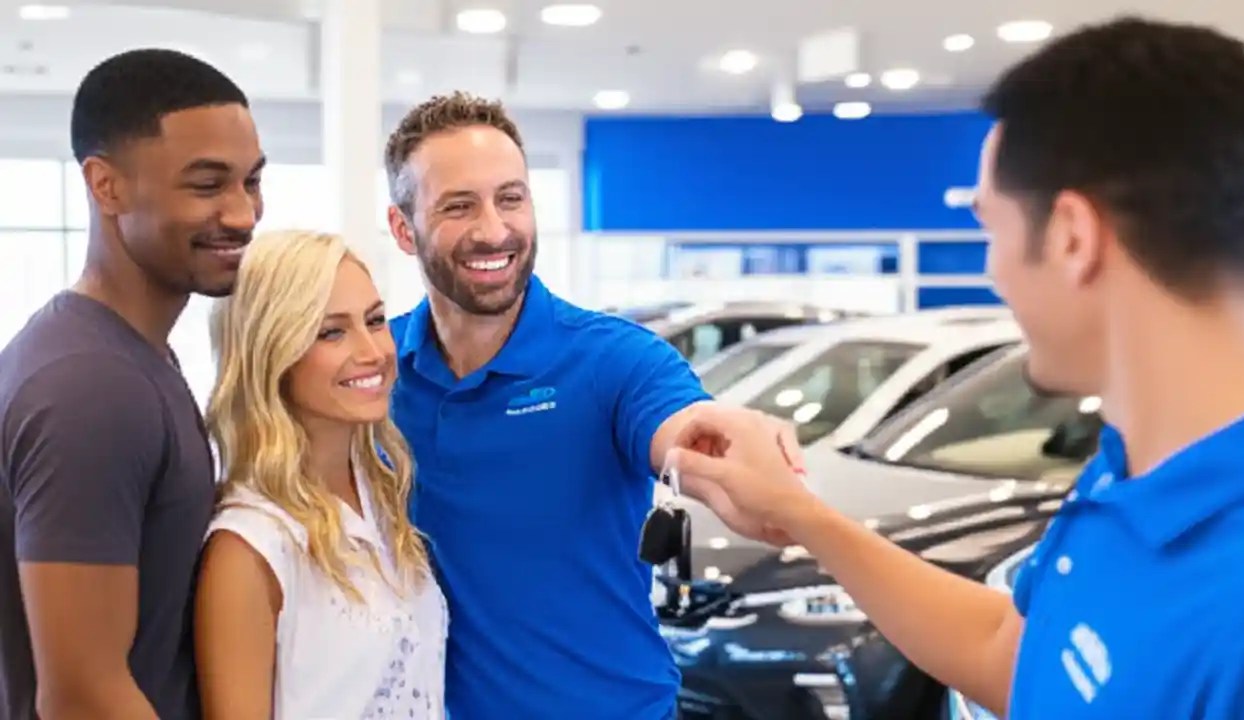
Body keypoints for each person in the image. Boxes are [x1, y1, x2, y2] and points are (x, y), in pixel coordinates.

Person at [667, 16, 1244, 720]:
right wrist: (799, 515)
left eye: (991, 229)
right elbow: (1008, 653)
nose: (993, 273)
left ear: (1072, 237)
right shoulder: (1126, 476)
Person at [383, 92, 782, 719]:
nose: (494, 229)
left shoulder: (614, 361)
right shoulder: (376, 372)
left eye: (510, 198)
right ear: (404, 229)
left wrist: (728, 461)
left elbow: (682, 430)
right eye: (459, 206)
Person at [0, 49, 263, 720]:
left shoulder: (131, 357)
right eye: (207, 185)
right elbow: (82, 696)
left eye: (251, 181)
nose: (242, 214)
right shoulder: (91, 390)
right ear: (106, 186)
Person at [194, 229, 448, 720]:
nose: (373, 351)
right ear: (273, 353)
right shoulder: (248, 548)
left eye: (374, 321)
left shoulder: (379, 494)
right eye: (332, 332)